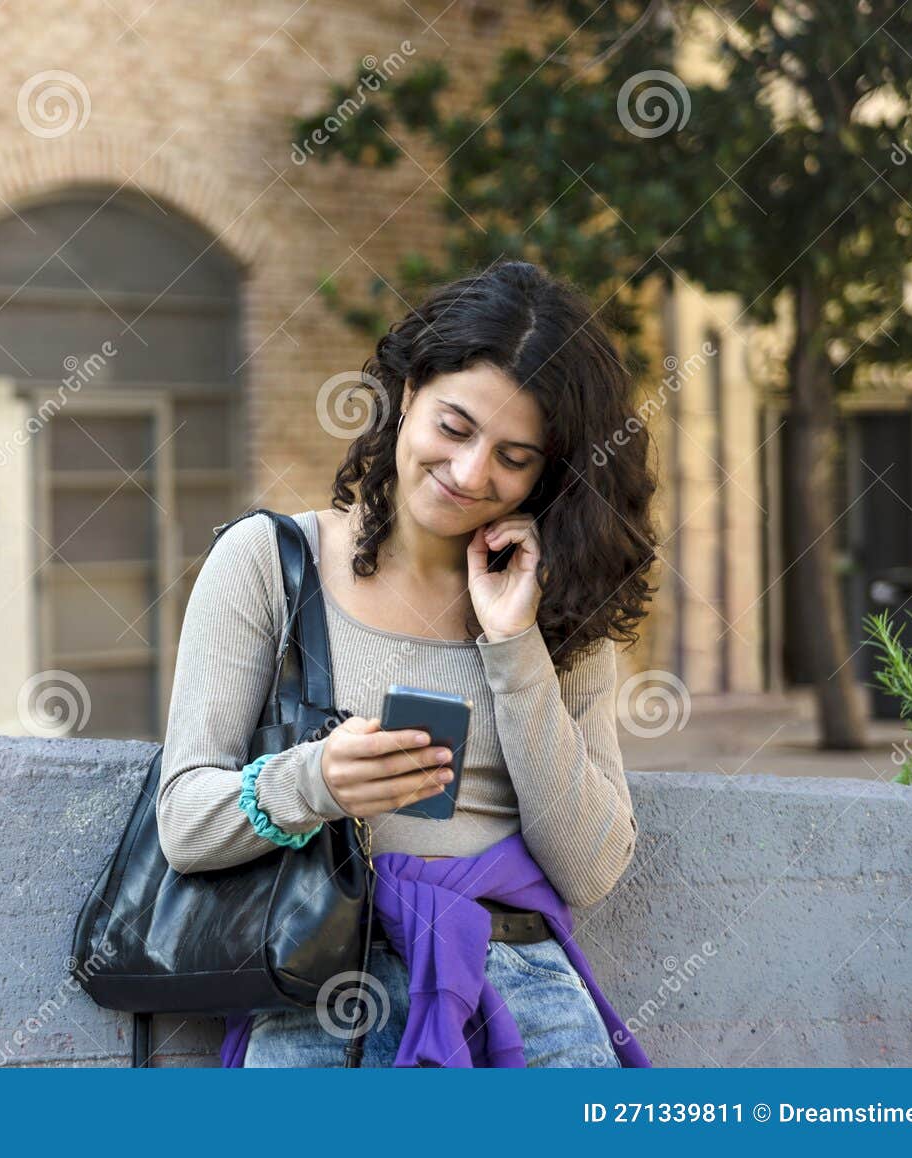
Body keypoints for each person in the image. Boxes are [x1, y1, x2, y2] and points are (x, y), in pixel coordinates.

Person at [155, 259, 659, 1067]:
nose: (470, 473)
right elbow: (184, 822)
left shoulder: (559, 603)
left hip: (525, 997)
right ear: (409, 391)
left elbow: (591, 867)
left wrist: (514, 644)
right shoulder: (268, 562)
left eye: (514, 457)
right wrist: (316, 781)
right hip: (324, 986)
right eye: (455, 428)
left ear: (549, 471)